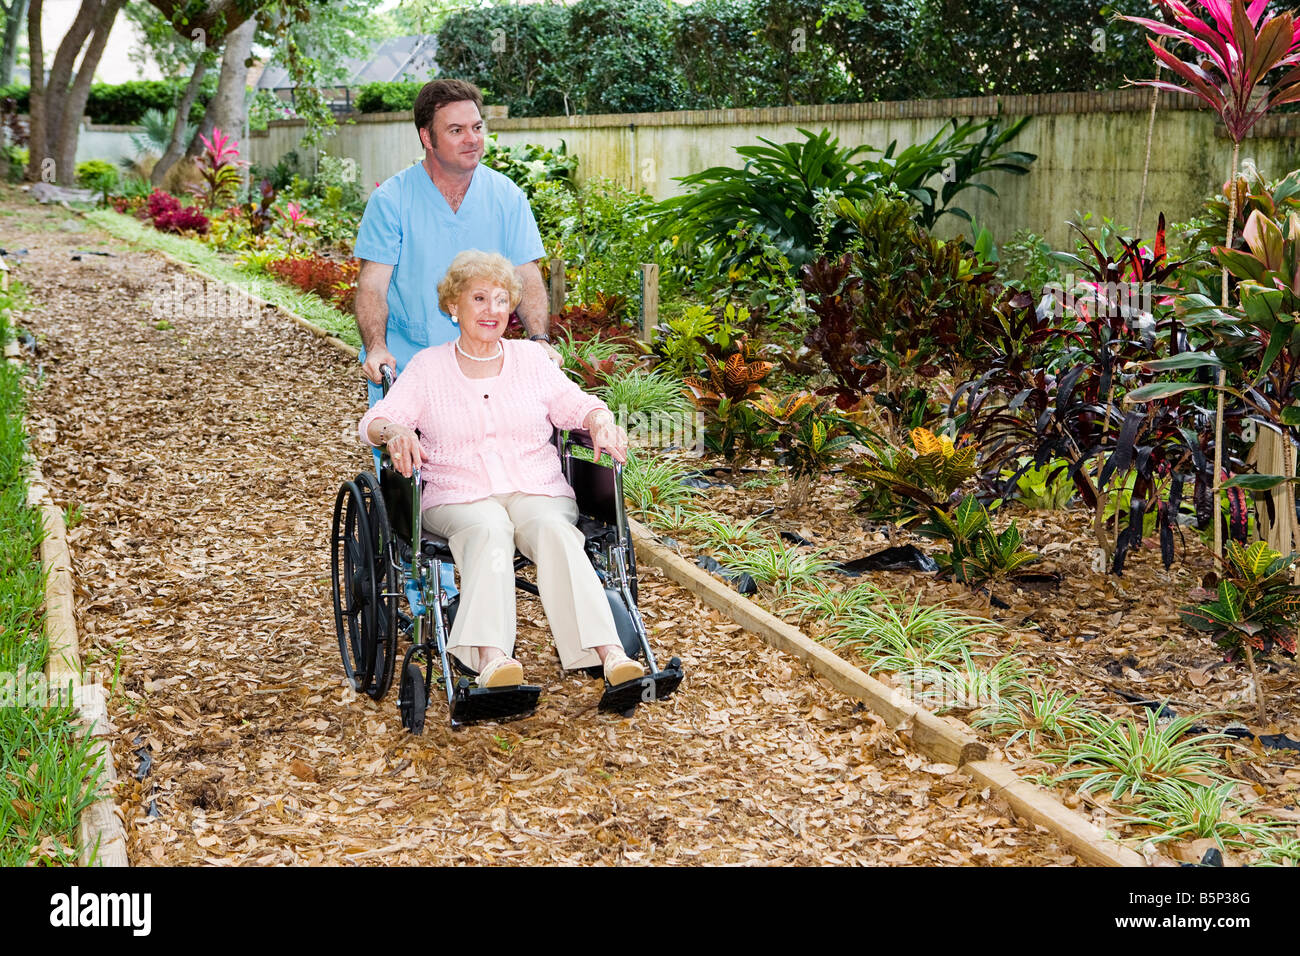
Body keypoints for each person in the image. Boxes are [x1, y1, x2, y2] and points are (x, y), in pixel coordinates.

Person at [358, 251, 645, 690]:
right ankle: (492, 660)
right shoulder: (428, 368)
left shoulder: (532, 362)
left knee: (553, 529)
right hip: (458, 494)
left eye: (500, 299)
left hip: (535, 488)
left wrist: (601, 421)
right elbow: (375, 421)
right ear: (454, 307)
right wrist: (395, 430)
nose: (491, 310)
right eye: (478, 298)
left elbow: (577, 405)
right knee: (489, 527)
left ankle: (609, 653)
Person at [354, 78, 558, 405]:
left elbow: (527, 275)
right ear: (427, 137)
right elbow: (373, 286)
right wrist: (377, 347)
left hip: (484, 366)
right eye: (456, 130)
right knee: (410, 454)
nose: (472, 139)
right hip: (410, 367)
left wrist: (539, 340)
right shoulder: (391, 200)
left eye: (477, 127)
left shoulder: (507, 197)